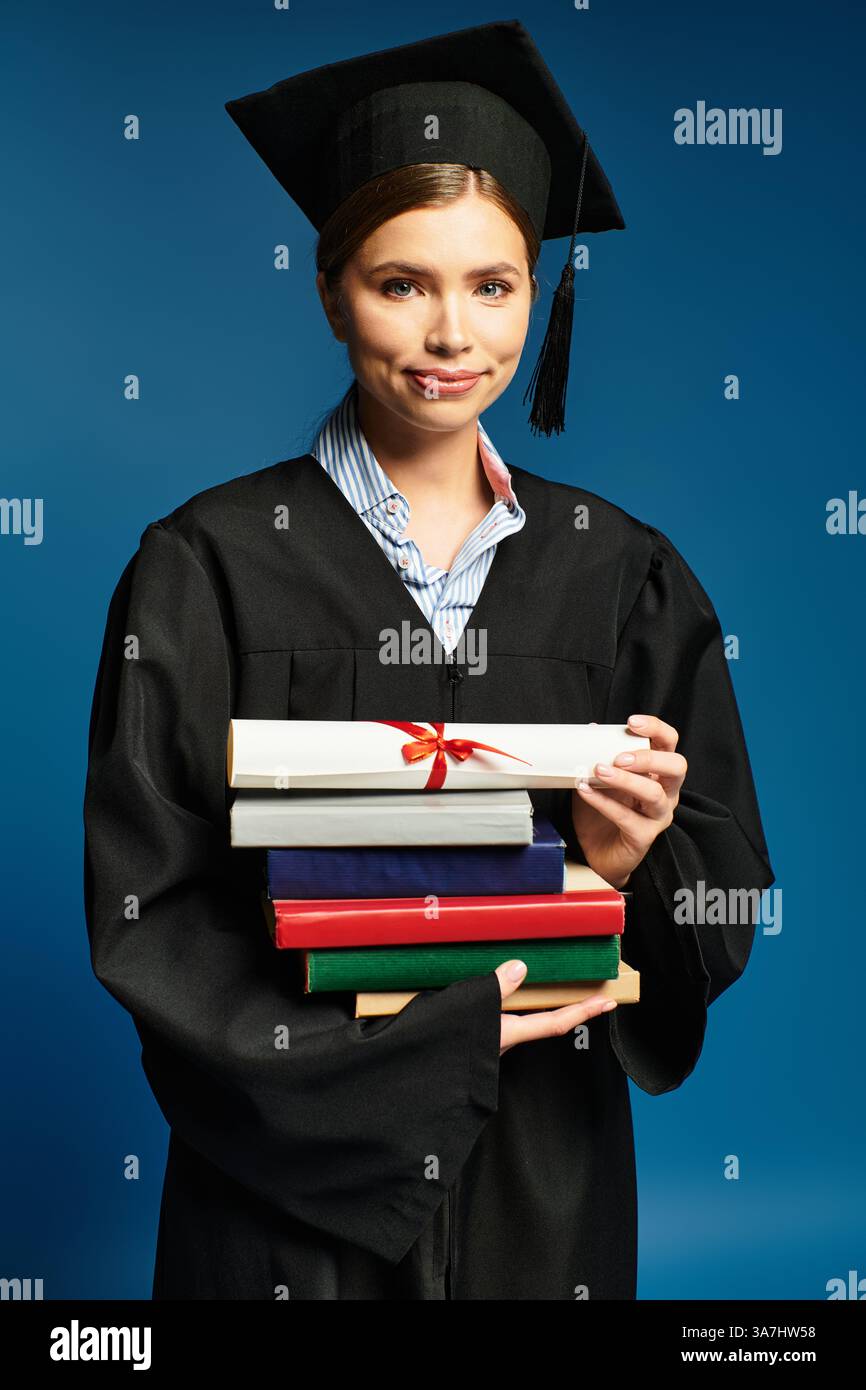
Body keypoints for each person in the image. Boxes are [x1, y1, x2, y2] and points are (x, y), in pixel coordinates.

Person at [83, 20, 775, 1300]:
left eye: (494, 285)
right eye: (401, 282)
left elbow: (722, 892)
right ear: (328, 285)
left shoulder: (623, 572)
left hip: (542, 1185)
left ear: (532, 290)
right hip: (290, 1210)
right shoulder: (208, 565)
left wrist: (616, 865)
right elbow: (150, 917)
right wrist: (420, 1049)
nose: (451, 333)